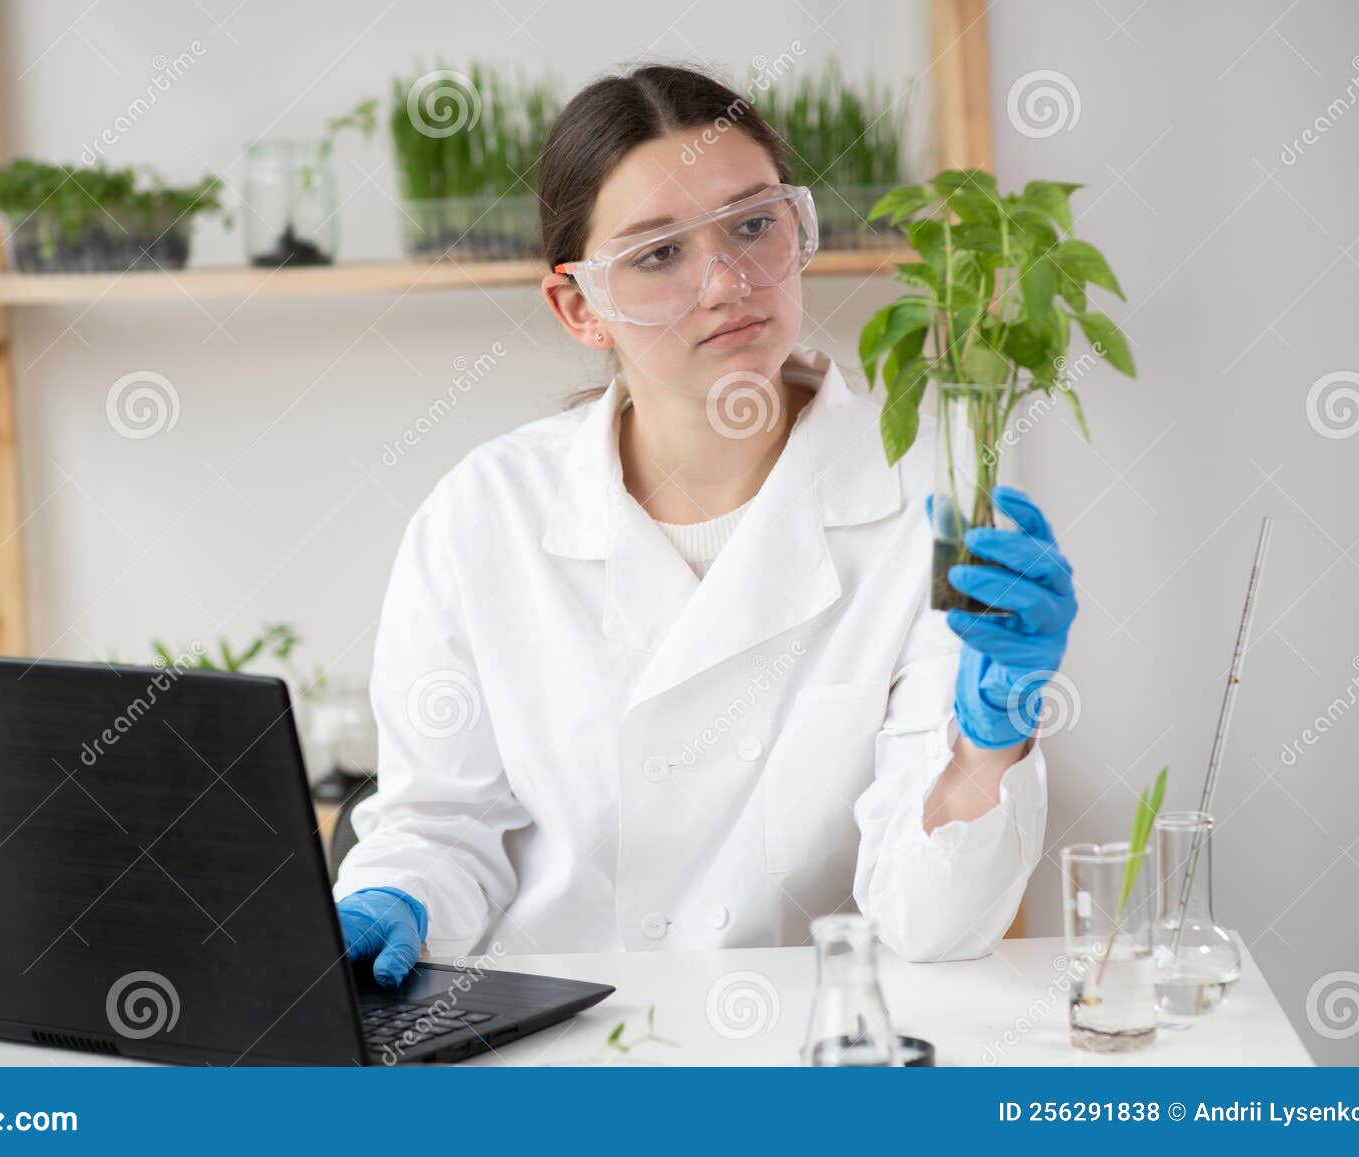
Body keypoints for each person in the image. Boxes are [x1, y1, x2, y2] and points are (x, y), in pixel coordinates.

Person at [334, 63, 1074, 988]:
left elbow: (934, 922)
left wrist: (987, 741)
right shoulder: (484, 514)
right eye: (656, 255)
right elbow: (440, 825)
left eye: (753, 225)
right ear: (578, 307)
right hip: (558, 1049)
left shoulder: (934, 497)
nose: (727, 281)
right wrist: (394, 893)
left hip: (815, 1051)